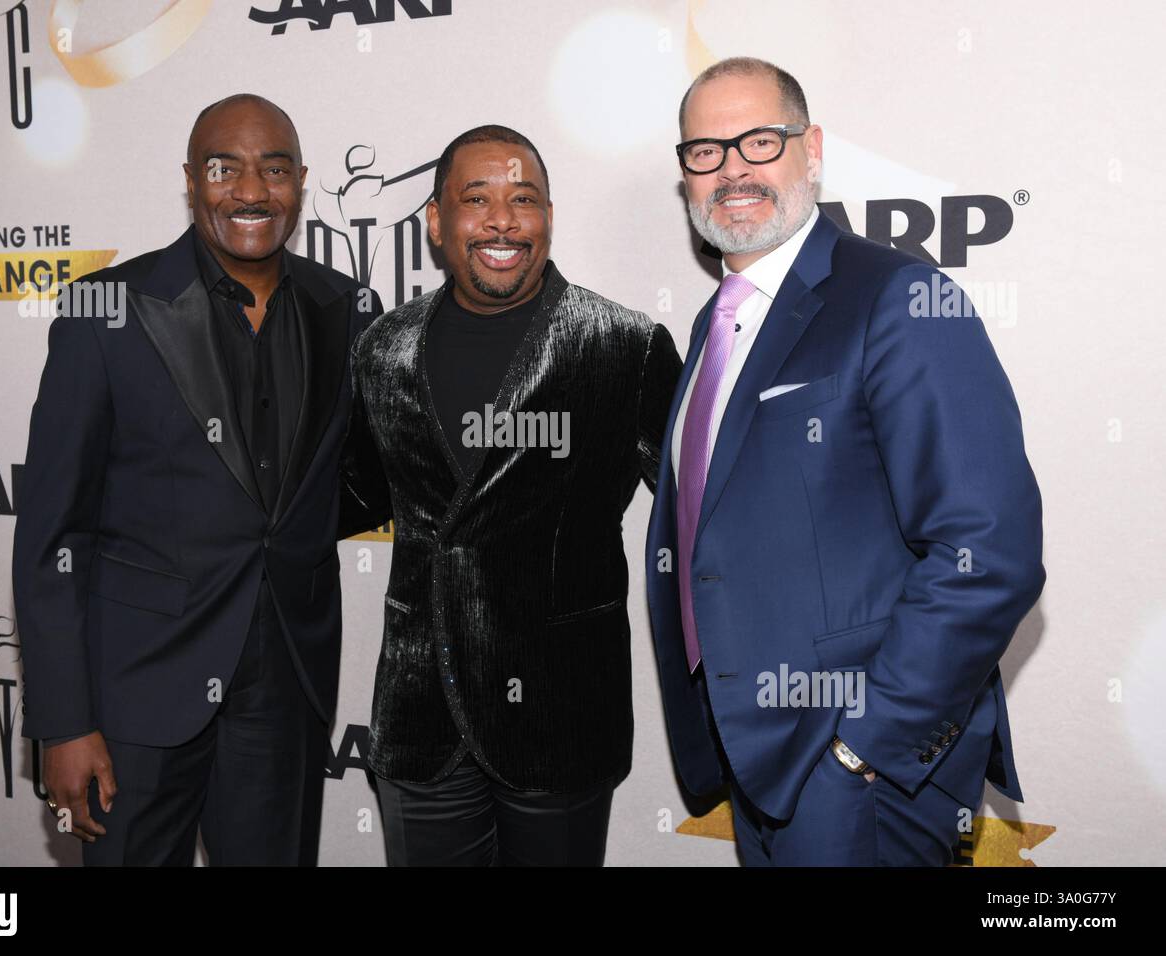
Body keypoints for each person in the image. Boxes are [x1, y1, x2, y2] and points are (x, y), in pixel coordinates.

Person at [646, 57, 1045, 866]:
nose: (733, 170)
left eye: (760, 140)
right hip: (755, 760)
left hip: (861, 779)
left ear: (813, 149)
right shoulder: (714, 326)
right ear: (685, 175)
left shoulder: (895, 297)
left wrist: (860, 751)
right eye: (706, 151)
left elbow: (987, 552)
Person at [13, 93, 383, 865]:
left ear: (302, 181)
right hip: (134, 695)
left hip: (284, 687)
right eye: (224, 169)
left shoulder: (344, 308)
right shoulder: (105, 311)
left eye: (273, 169)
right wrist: (64, 720)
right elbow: (54, 535)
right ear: (191, 180)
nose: (251, 191)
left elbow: (356, 479)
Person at [338, 124, 682, 866]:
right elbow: (353, 493)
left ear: (548, 217)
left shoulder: (624, 346)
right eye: (476, 199)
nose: (501, 219)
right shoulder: (380, 349)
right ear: (436, 221)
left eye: (523, 199)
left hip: (559, 718)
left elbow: (701, 508)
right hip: (424, 711)